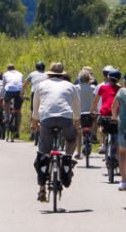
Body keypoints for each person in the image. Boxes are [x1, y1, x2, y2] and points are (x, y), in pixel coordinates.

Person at [31, 62, 80, 202]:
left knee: (43, 153)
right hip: (65, 118)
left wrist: (35, 122)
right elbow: (77, 107)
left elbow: (36, 106)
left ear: (49, 74)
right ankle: (68, 158)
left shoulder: (42, 85)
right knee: (71, 139)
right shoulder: (70, 86)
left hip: (46, 119)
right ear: (63, 74)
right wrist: (76, 123)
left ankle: (41, 189)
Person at [91, 67, 121, 153]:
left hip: (104, 113)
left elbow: (95, 102)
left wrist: (92, 111)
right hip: (116, 114)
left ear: (108, 78)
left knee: (101, 126)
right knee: (117, 129)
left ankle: (103, 144)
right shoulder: (121, 89)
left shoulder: (102, 88)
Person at [75, 66, 97, 150]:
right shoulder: (93, 88)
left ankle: (78, 151)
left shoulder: (76, 88)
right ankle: (93, 135)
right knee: (94, 121)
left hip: (79, 113)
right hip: (90, 112)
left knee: (78, 130)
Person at [25, 61, 47, 140]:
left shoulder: (32, 74)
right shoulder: (47, 74)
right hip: (45, 93)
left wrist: (22, 93)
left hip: (35, 93)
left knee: (33, 110)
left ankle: (32, 130)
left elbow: (25, 85)